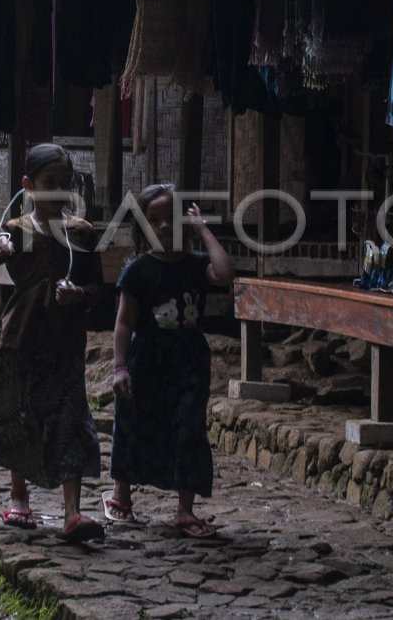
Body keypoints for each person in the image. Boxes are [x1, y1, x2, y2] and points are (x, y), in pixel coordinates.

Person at [0, 144, 106, 543]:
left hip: (64, 340)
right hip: (21, 337)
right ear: (28, 185)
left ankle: (73, 513)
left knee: (71, 419)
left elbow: (98, 288)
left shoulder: (81, 232)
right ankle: (18, 494)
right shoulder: (14, 230)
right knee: (22, 415)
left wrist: (78, 295)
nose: (58, 192)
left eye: (65, 184)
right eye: (49, 184)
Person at [106, 183, 235, 538]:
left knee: (189, 427)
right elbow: (123, 323)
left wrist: (203, 229)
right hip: (146, 357)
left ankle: (185, 509)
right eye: (154, 220)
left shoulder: (195, 266)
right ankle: (121, 494)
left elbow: (224, 273)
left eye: (171, 219)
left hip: (188, 358)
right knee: (133, 422)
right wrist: (120, 367)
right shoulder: (137, 270)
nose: (163, 226)